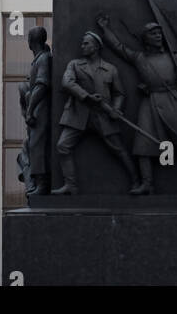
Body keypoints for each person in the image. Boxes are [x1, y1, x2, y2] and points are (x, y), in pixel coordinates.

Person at [95, 13, 177, 194]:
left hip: (174, 100)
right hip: (150, 103)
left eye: (159, 33)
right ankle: (147, 184)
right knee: (143, 144)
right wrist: (105, 29)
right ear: (146, 39)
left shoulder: (174, 57)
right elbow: (119, 48)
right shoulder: (139, 58)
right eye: (153, 34)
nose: (158, 36)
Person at [53, 30, 136, 195]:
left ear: (96, 46)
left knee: (119, 149)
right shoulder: (75, 64)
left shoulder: (110, 69)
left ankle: (136, 181)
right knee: (62, 146)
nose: (82, 46)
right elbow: (67, 83)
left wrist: (116, 110)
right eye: (82, 43)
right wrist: (87, 97)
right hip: (78, 114)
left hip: (103, 116)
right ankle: (71, 185)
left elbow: (120, 94)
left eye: (86, 43)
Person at [17, 25, 52, 196]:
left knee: (37, 146)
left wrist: (30, 110)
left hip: (41, 111)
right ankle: (34, 183)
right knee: (30, 147)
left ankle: (42, 184)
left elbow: (41, 85)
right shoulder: (40, 59)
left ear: (30, 42)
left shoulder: (43, 58)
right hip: (38, 110)